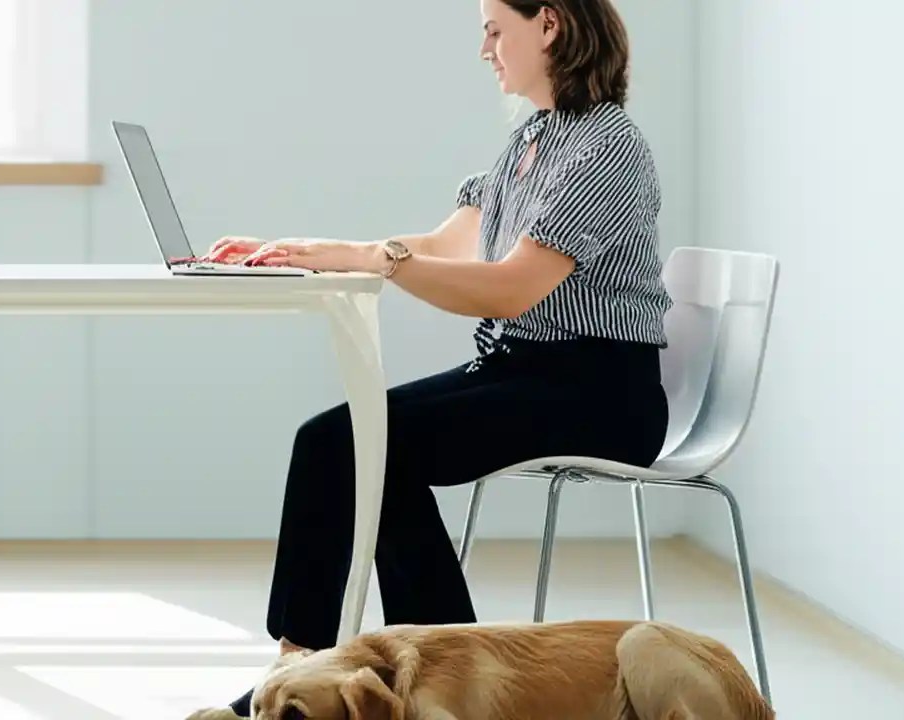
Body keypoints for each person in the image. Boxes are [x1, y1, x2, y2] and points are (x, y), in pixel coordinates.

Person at [189, 0, 671, 717]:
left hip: (599, 393)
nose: (485, 48)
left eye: (495, 29)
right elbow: (448, 242)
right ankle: (316, 669)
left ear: (550, 25)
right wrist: (311, 250)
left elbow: (510, 287)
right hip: (521, 370)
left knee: (364, 447)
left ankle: (344, 673)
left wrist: (378, 262)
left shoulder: (609, 149)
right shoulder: (535, 136)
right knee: (335, 442)